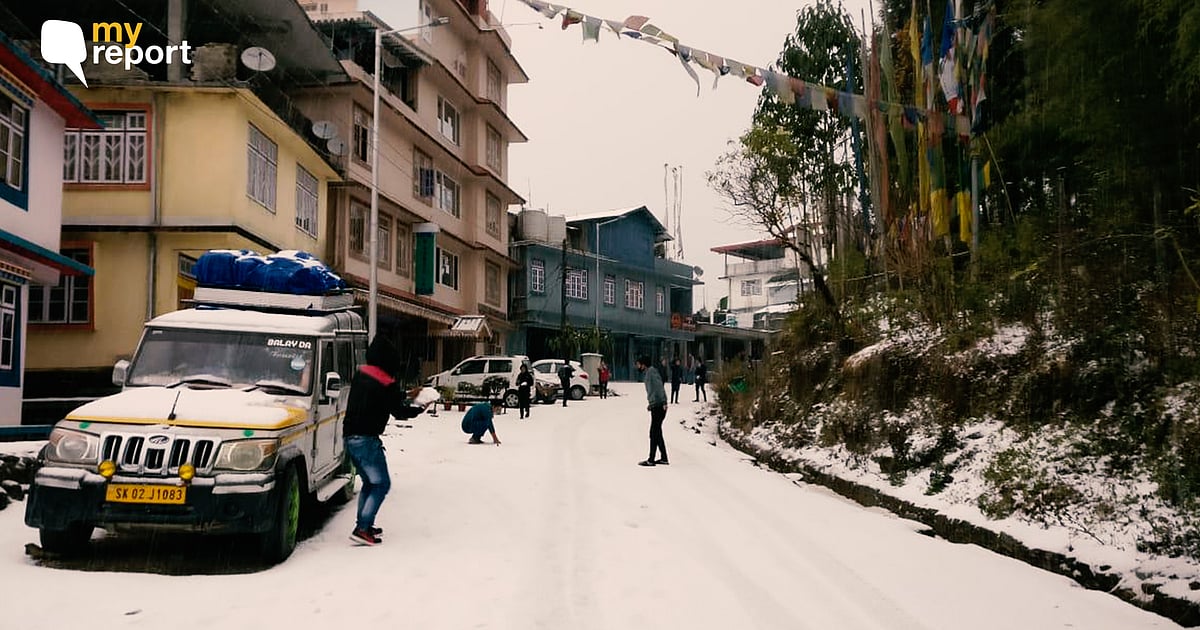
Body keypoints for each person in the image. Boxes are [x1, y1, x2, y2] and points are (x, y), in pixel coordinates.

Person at [343, 336, 429, 546]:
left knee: (370, 484)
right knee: (381, 484)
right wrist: (419, 408)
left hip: (349, 437)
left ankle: (364, 523)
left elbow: (382, 398)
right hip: (367, 441)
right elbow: (397, 410)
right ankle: (362, 529)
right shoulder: (387, 382)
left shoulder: (361, 373)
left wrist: (407, 394)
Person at [636, 355, 668, 467]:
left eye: (638, 364)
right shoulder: (649, 373)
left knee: (653, 432)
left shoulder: (651, 372)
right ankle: (664, 458)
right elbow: (653, 390)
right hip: (656, 405)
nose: (637, 366)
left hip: (659, 406)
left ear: (643, 364)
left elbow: (659, 387)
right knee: (657, 432)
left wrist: (663, 402)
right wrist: (651, 404)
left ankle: (651, 459)